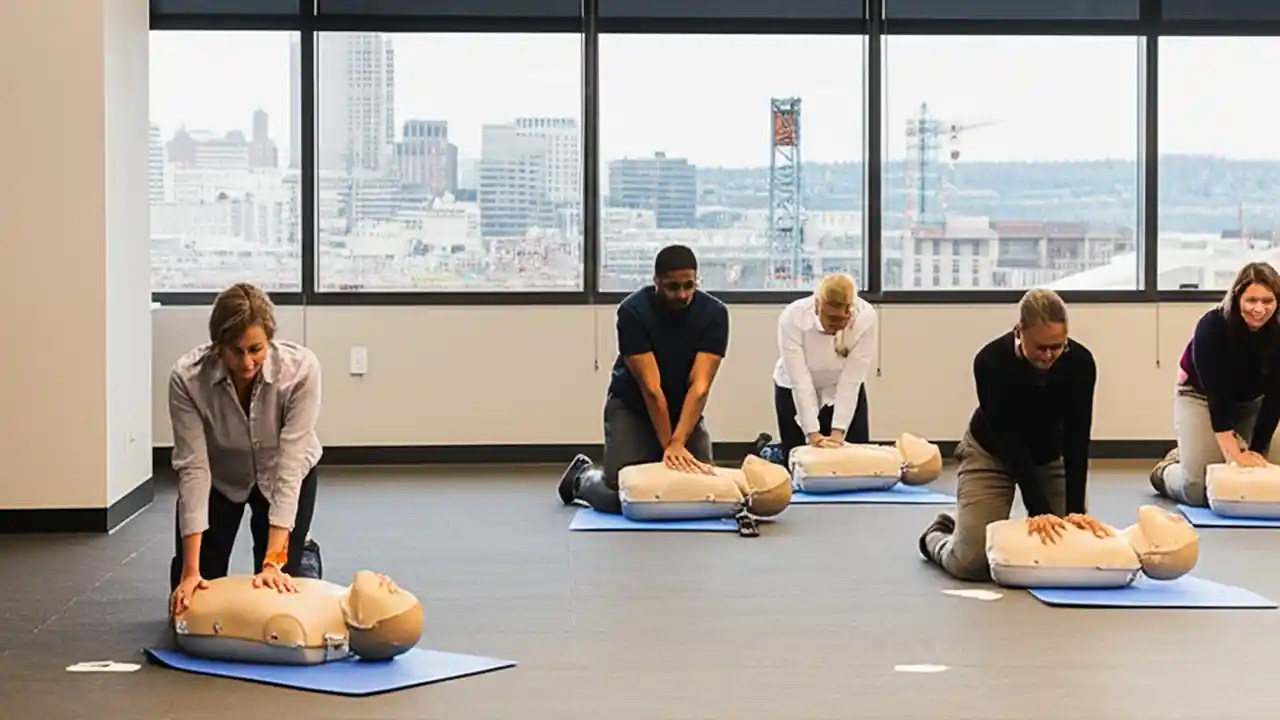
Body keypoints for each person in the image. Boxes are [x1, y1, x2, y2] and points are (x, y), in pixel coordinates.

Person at [918, 288, 1109, 581]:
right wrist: (1038, 510)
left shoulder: (1080, 363)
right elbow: (1011, 440)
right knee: (971, 564)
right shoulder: (990, 362)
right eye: (1040, 348)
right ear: (1019, 331)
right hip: (991, 453)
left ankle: (981, 523)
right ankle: (940, 534)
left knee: (1066, 551)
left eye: (1057, 347)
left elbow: (1077, 438)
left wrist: (1074, 511)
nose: (1048, 356)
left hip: (1049, 456)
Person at [168, 282, 324, 617]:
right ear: (217, 345)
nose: (246, 362)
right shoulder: (187, 378)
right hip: (220, 475)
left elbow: (290, 464)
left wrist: (273, 563)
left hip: (282, 471)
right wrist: (190, 571)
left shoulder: (301, 371)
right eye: (235, 350)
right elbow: (193, 468)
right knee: (192, 606)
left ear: (270, 340)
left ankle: (302, 550)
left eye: (256, 349)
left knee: (279, 599)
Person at [557, 245, 730, 514]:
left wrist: (678, 442)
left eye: (689, 285)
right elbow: (651, 388)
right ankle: (582, 477)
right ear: (656, 281)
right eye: (673, 287)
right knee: (622, 497)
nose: (682, 294)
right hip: (631, 408)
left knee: (703, 487)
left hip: (682, 410)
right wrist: (669, 449)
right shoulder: (632, 312)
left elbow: (700, 387)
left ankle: (666, 451)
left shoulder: (714, 314)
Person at [1150, 262, 1280, 507]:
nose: (1259, 309)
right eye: (1251, 300)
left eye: (1268, 301)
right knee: (1200, 490)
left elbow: (1275, 398)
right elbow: (1217, 400)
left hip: (1252, 402)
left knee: (1268, 477)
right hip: (1200, 397)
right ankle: (1167, 469)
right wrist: (1234, 455)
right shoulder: (1212, 326)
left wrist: (1257, 451)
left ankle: (1203, 453)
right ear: (1236, 297)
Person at [754, 273, 876, 464]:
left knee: (855, 461)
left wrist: (838, 433)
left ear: (850, 310)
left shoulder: (866, 316)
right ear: (817, 305)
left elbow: (851, 380)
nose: (834, 325)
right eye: (829, 317)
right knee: (797, 462)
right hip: (792, 387)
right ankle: (770, 451)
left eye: (840, 318)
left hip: (839, 387)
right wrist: (813, 434)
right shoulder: (793, 316)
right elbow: (800, 380)